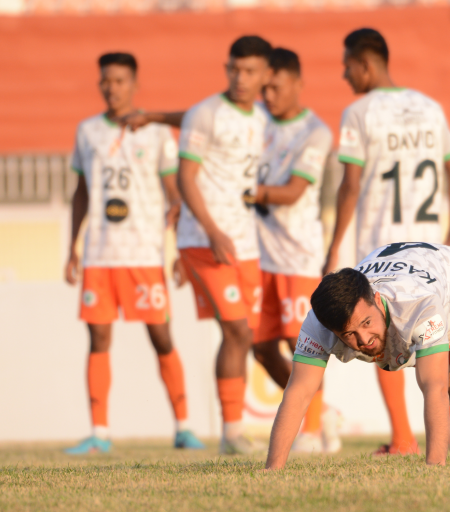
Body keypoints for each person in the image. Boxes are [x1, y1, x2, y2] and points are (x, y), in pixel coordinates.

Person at [324, 27, 450, 455]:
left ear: (365, 64)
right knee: (441, 339)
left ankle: (405, 439)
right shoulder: (430, 108)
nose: (344, 75)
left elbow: (350, 185)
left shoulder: (359, 112)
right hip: (430, 250)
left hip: (383, 250)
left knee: (375, 338)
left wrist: (334, 246)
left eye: (347, 65)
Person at [266, 242, 450, 469]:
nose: (363, 341)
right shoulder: (318, 323)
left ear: (375, 298)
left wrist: (434, 470)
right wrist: (272, 473)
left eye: (366, 323)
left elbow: (434, 388)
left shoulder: (417, 307)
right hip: (416, 274)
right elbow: (298, 394)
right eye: (348, 335)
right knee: (449, 382)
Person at [63, 52, 203, 454]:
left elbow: (174, 193)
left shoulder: (156, 132)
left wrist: (179, 249)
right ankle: (100, 433)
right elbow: (81, 193)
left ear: (135, 84)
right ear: (100, 84)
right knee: (98, 337)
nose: (112, 87)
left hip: (144, 253)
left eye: (120, 80)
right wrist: (72, 247)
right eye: (106, 80)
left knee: (160, 336)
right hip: (99, 256)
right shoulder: (87, 131)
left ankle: (184, 426)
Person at [175, 36, 273, 455]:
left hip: (247, 244)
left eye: (250, 71)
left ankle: (304, 416)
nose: (240, 78)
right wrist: (211, 229)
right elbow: (185, 177)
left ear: (266, 75)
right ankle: (231, 433)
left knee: (248, 334)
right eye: (234, 69)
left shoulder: (265, 119)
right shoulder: (206, 113)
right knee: (236, 330)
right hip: (205, 240)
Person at [243, 48, 340, 454]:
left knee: (302, 344)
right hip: (258, 255)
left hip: (297, 256)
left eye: (275, 87)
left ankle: (313, 430)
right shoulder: (256, 122)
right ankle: (320, 410)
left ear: (298, 84)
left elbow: (295, 190)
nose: (267, 95)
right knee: (259, 345)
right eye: (263, 87)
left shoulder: (314, 132)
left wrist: (250, 193)